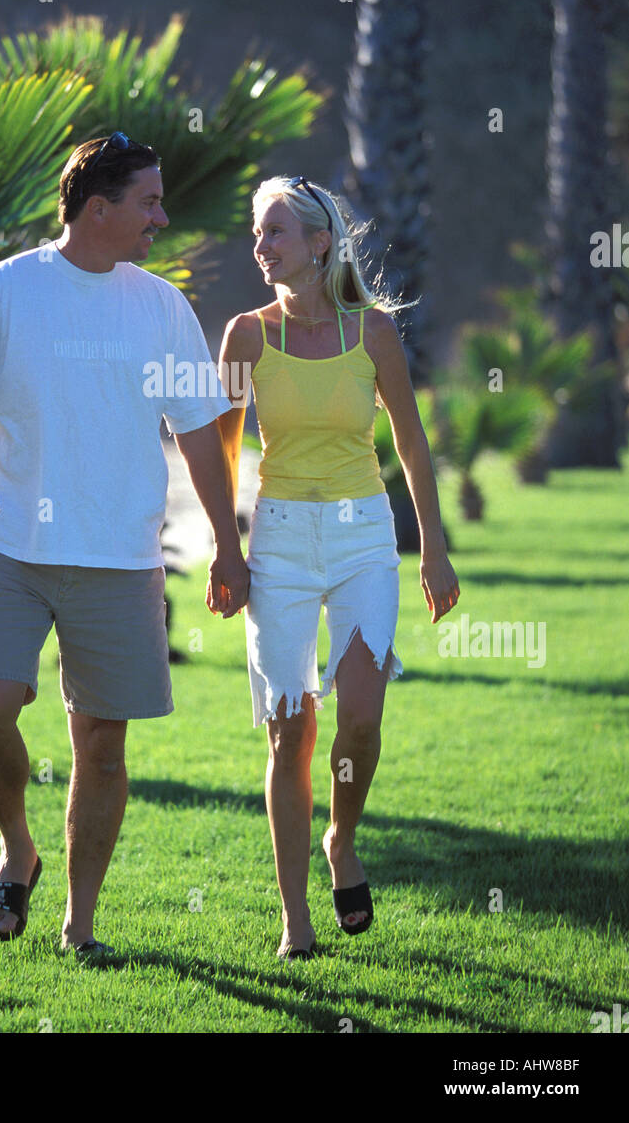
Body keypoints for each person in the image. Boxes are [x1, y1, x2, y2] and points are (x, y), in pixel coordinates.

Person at [0, 133, 249, 954]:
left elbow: (198, 436)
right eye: (149, 200)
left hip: (120, 559)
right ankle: (17, 846)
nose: (163, 216)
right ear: (97, 208)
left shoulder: (160, 306)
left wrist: (226, 543)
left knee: (101, 749)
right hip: (10, 552)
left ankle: (80, 925)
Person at [217, 174, 459, 959]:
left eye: (275, 232)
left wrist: (434, 545)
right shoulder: (244, 336)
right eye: (257, 233)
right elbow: (218, 452)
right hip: (280, 539)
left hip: (362, 536)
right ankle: (296, 921)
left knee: (358, 713)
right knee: (290, 734)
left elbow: (412, 446)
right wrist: (226, 548)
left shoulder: (374, 333)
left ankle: (342, 839)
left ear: (319, 243)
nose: (261, 246)